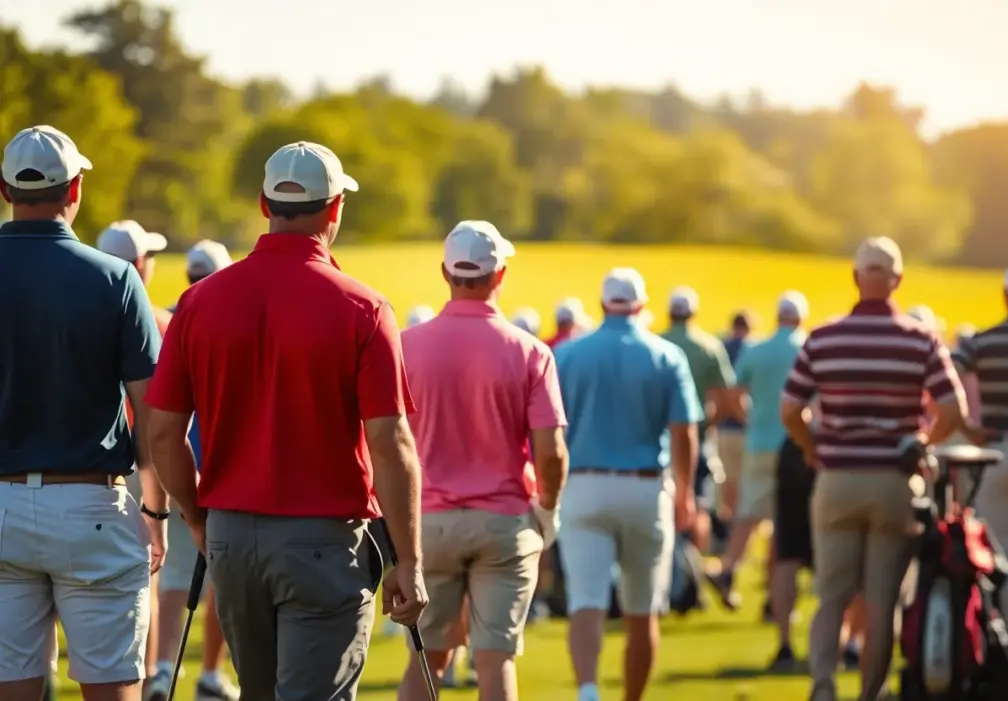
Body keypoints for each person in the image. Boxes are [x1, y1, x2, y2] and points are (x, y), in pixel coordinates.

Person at [144, 140, 428, 700]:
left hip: (231, 534)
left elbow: (161, 432)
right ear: (335, 209)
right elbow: (390, 444)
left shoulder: (199, 302)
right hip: (323, 539)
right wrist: (410, 560)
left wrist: (199, 519)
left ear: (264, 204)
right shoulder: (363, 308)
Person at [0, 125, 169, 701]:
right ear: (75, 190)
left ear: (5, 188)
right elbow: (151, 409)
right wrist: (156, 508)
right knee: (111, 687)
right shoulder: (117, 278)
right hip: (93, 503)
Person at [781, 237, 968, 701]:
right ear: (897, 281)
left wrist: (813, 446)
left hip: (837, 477)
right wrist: (923, 441)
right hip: (892, 479)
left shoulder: (823, 338)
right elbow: (953, 409)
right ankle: (871, 691)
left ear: (855, 278)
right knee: (883, 599)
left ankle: (823, 687)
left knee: (830, 595)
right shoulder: (918, 339)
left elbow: (790, 408)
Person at [398, 220, 568, 701]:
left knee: (426, 658)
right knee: (495, 660)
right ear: (500, 275)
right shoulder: (531, 351)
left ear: (445, 273)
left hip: (427, 523)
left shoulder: (407, 347)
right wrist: (549, 511)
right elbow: (550, 450)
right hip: (504, 522)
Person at [555, 268, 701, 701]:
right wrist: (688, 492)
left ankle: (587, 691)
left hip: (582, 487)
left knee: (586, 602)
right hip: (645, 489)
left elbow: (549, 428)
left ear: (603, 304)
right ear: (640, 306)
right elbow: (684, 432)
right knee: (642, 610)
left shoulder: (567, 356)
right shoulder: (666, 355)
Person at [147, 239, 238, 701]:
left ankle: (162, 669)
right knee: (220, 579)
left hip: (173, 466)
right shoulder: (233, 315)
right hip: (220, 471)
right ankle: (208, 673)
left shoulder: (166, 318)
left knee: (176, 576)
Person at [96, 218, 172, 691]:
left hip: (96, 468)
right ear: (141, 264)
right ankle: (150, 682)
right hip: (142, 469)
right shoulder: (162, 320)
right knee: (146, 589)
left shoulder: (80, 303)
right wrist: (155, 507)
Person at [713, 293, 809, 662]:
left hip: (760, 440)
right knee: (785, 523)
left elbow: (734, 395)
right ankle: (772, 593)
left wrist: (751, 418)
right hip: (797, 444)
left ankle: (731, 567)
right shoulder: (807, 348)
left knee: (751, 512)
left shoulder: (756, 351)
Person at [951, 261, 1008, 668]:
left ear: (1006, 295)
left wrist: (967, 426)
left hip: (997, 452)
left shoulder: (983, 342)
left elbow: (946, 378)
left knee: (1006, 555)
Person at [661, 287, 735, 555]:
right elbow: (727, 398)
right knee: (700, 505)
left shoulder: (657, 343)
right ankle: (694, 574)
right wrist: (710, 422)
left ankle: (674, 572)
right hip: (699, 437)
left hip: (661, 438)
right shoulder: (710, 347)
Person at [719, 311, 753, 531]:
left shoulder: (721, 346)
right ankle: (737, 528)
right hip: (746, 428)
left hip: (725, 427)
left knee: (728, 481)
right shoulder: (752, 348)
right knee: (744, 483)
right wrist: (747, 418)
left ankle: (727, 527)